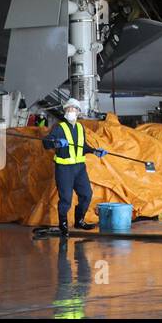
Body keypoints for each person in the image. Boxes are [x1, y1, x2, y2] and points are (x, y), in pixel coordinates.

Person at [40, 99, 107, 236]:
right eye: (68, 108)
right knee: (66, 199)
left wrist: (95, 151)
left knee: (86, 194)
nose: (71, 111)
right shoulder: (59, 128)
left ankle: (79, 221)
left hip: (80, 169)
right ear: (65, 111)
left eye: (74, 108)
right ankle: (63, 225)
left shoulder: (80, 128)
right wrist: (56, 143)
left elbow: (83, 147)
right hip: (64, 169)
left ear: (78, 111)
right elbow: (46, 143)